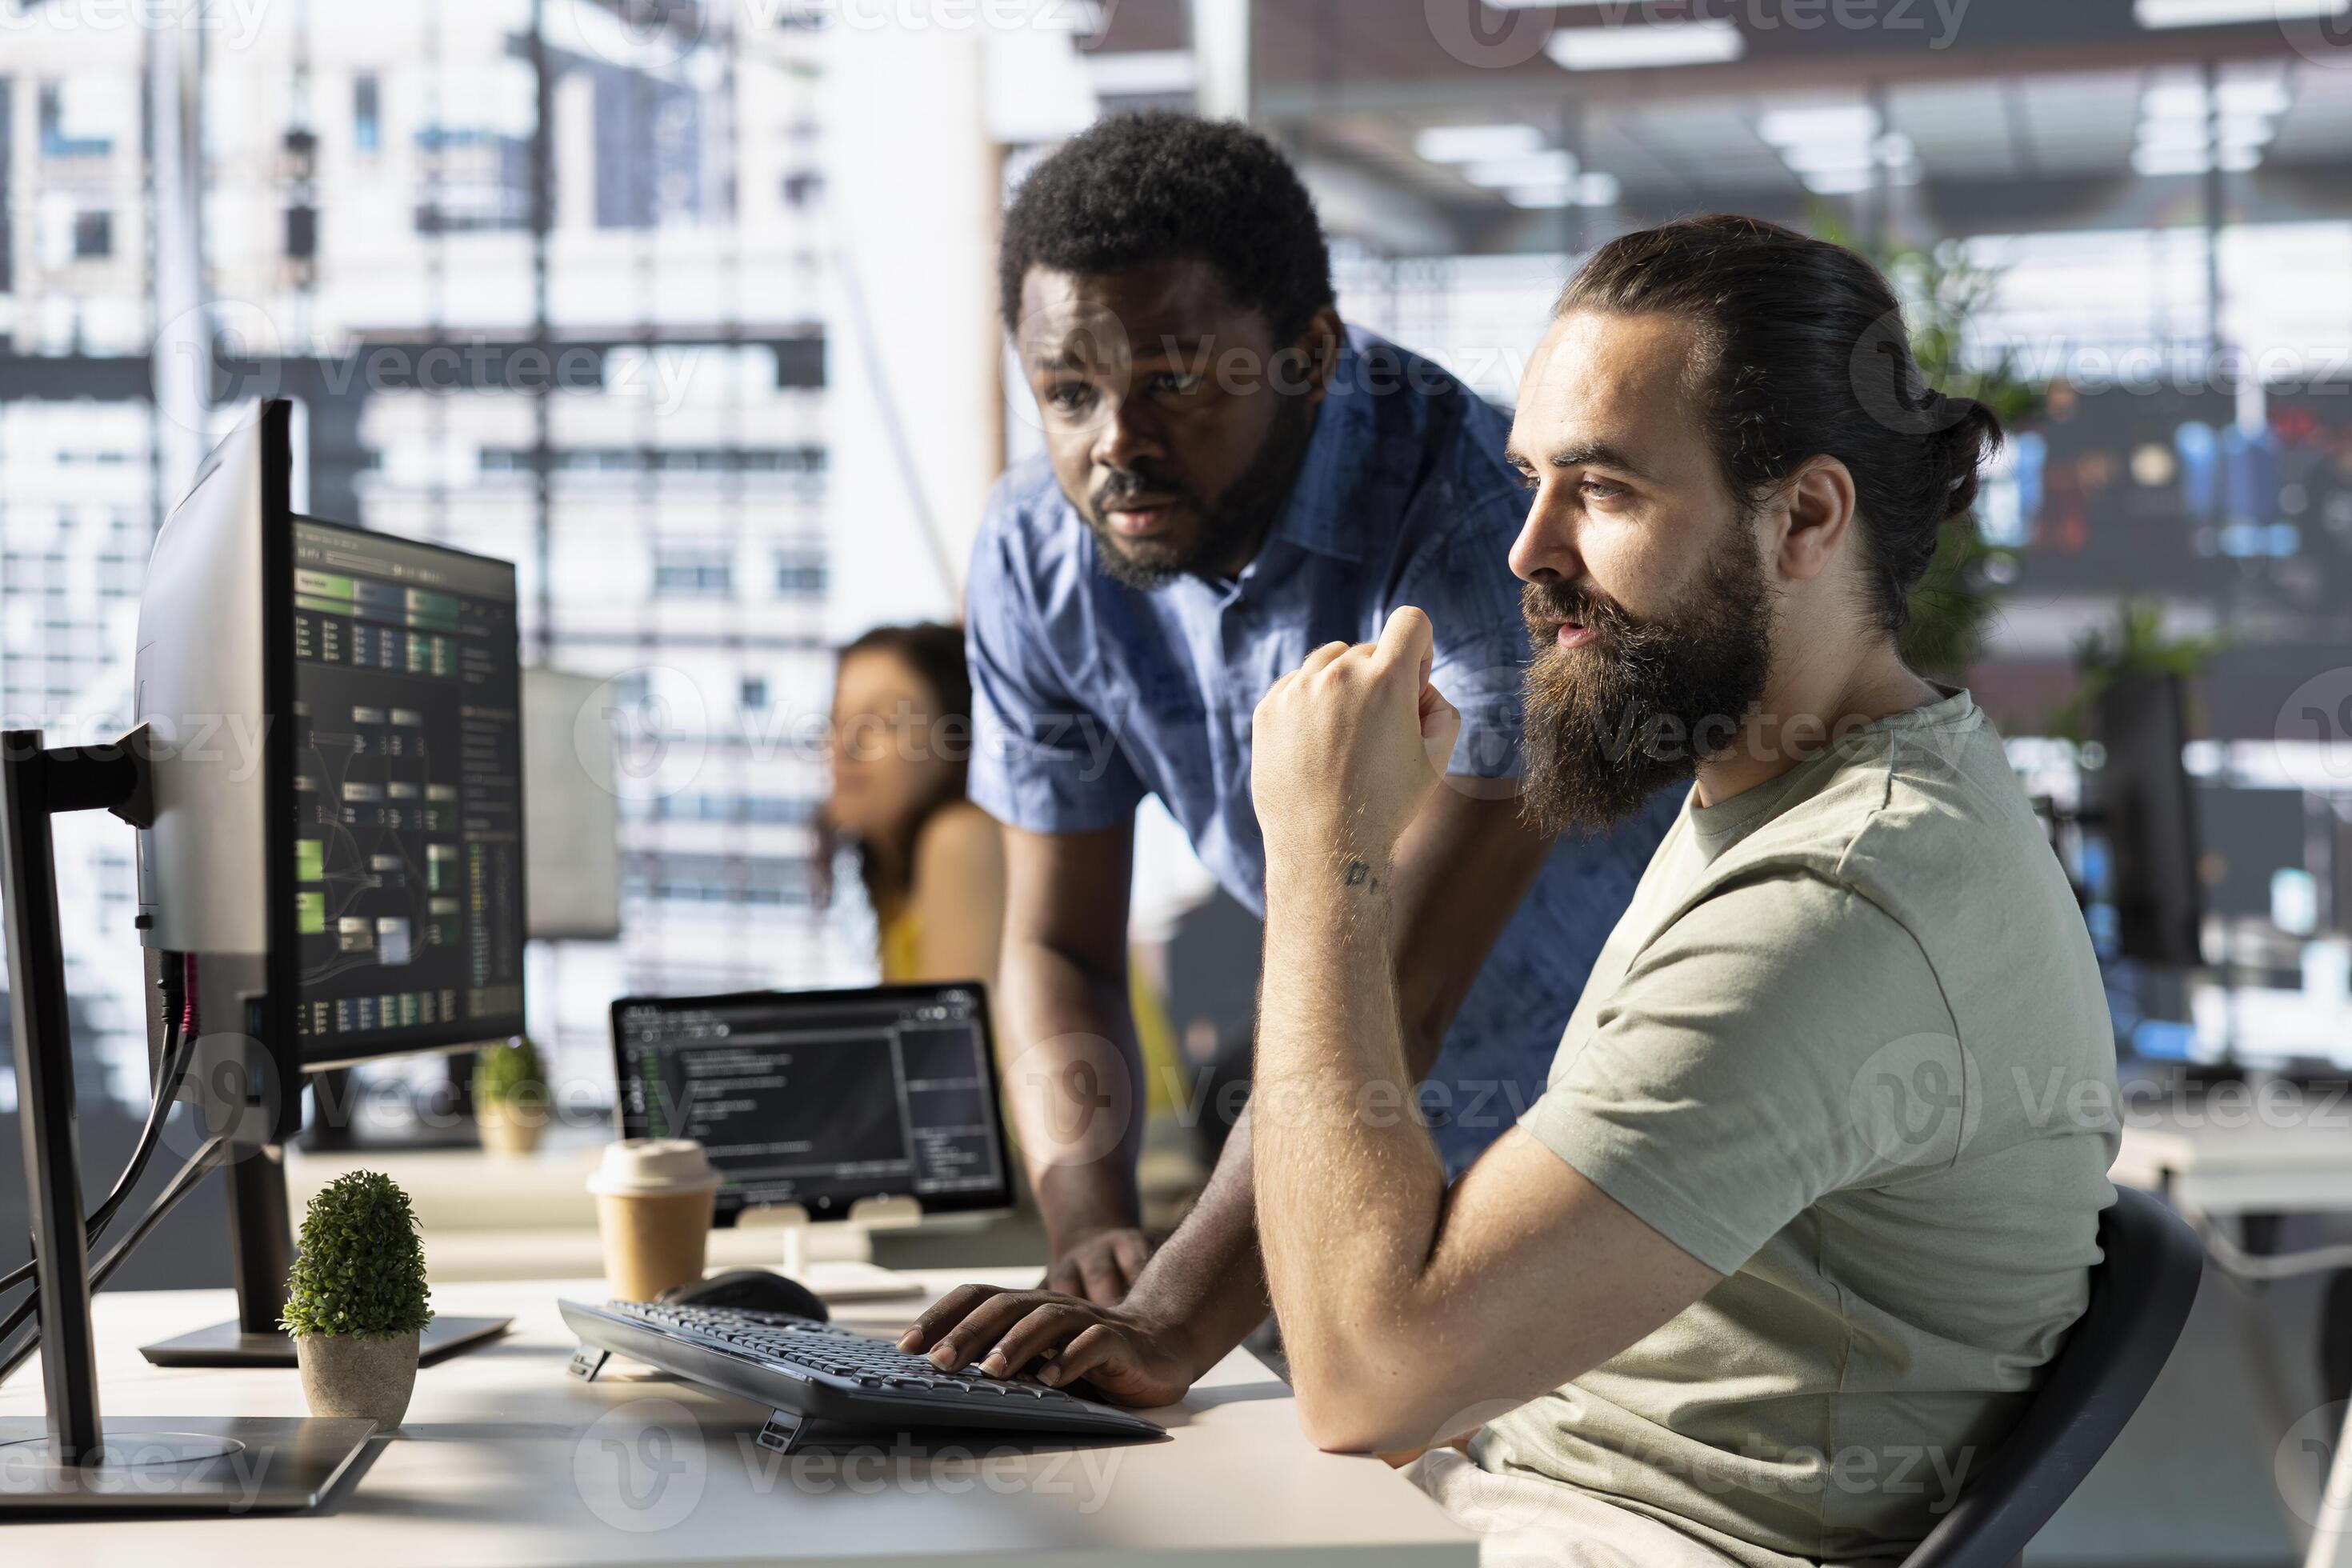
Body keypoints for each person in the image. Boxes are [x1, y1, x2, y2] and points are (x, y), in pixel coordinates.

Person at [1222, 216, 2118, 1566]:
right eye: (1528, 480)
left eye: (1605, 490)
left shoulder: (1842, 899)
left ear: (1807, 517)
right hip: (1523, 1495)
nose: (1528, 550)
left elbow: (1369, 1374)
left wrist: (1323, 858)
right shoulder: (1779, 795)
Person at [907, 113, 1674, 1382]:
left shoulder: (1492, 530)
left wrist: (1170, 1320)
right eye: (1068, 393)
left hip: (1596, 1151)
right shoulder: (1036, 557)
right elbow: (1054, 942)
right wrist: (1093, 1227)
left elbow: (1402, 993)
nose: (1115, 442)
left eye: (1176, 380)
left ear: (1307, 354)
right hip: (1336, 1146)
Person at [817, 623, 1006, 990]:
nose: (845, 745)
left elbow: (950, 1043)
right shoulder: (892, 874)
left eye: (884, 722)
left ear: (957, 743)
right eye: (837, 718)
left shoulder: (960, 835)